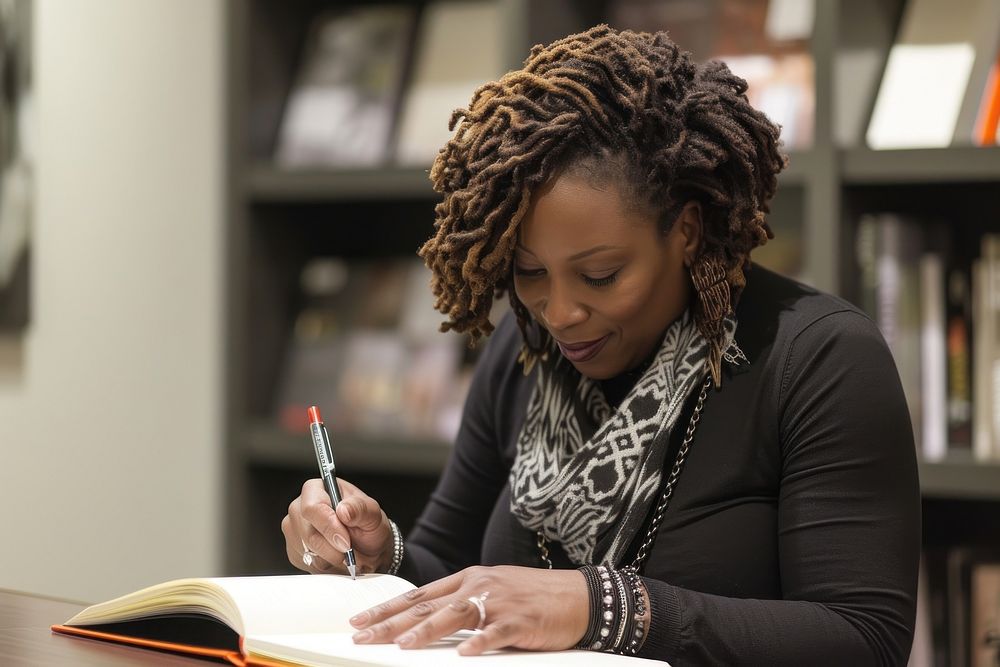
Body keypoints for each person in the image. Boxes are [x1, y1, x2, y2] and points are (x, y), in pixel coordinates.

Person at [281, 25, 920, 666]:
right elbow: (445, 570)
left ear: (688, 232)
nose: (560, 313)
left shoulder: (819, 358)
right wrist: (377, 552)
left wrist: (603, 606)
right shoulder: (523, 350)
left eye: (601, 276)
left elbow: (863, 640)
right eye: (530, 273)